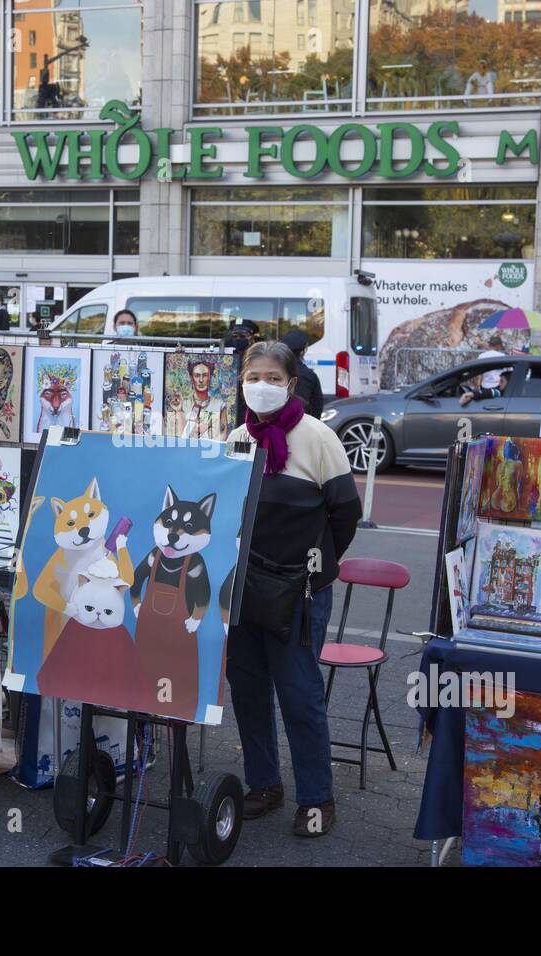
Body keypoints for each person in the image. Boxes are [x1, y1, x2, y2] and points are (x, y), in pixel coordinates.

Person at [225, 341, 362, 838]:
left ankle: (316, 797)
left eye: (273, 378)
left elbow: (346, 513)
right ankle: (262, 784)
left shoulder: (318, 438)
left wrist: (319, 562)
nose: (262, 386)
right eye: (253, 376)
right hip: (245, 586)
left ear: (292, 383)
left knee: (300, 695)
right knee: (248, 689)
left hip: (300, 590)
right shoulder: (239, 437)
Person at [281, 328, 324, 420]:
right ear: (303, 351)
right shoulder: (310, 375)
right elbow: (317, 406)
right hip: (301, 422)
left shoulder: (275, 371)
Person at [223, 319, 260, 423]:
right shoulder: (228, 356)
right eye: (235, 336)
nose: (238, 339)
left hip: (249, 410)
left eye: (242, 336)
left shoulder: (257, 357)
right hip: (231, 410)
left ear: (251, 338)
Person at [460, 334, 511, 406]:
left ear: (490, 345)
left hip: (485, 386)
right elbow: (507, 373)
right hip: (498, 386)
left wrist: (476, 388)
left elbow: (478, 374)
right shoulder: (503, 357)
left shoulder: (482, 356)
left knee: (484, 404)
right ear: (499, 346)